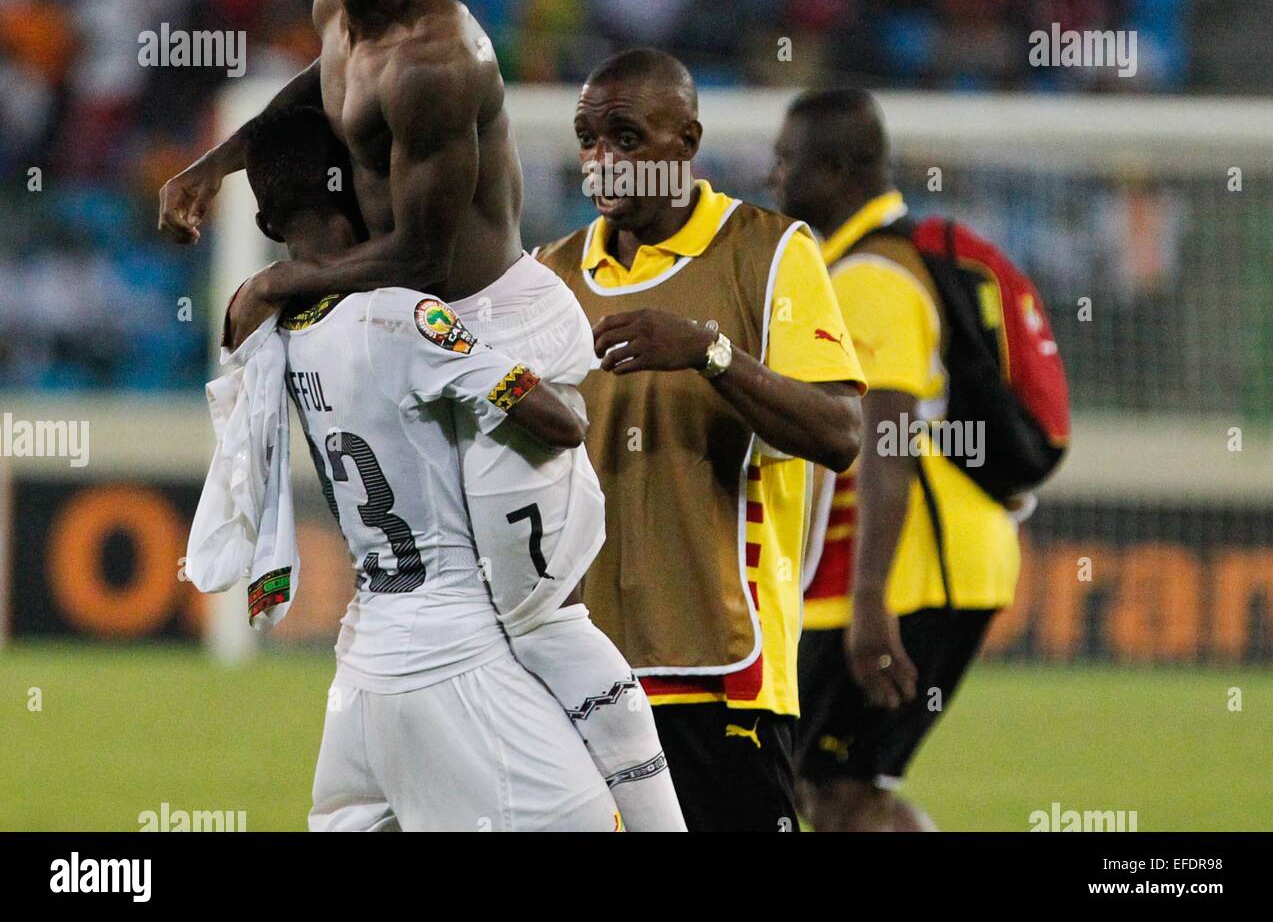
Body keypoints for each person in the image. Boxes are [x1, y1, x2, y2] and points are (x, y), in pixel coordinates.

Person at [239, 104, 683, 829]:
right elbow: (557, 422)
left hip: (363, 667)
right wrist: (517, 371)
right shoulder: (402, 316)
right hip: (451, 658)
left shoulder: (285, 334)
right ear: (355, 187)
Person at [535, 48, 866, 832]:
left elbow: (839, 432)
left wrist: (709, 354)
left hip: (723, 665)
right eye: (586, 137)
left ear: (686, 141)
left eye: (624, 136)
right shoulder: (550, 275)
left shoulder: (768, 251)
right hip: (577, 669)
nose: (600, 159)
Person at [157, 0, 523, 342]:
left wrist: (278, 281)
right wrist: (214, 166)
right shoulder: (332, 6)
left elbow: (424, 257)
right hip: (418, 325)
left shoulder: (436, 63)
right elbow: (324, 78)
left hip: (491, 327)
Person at [770, 88, 1020, 832]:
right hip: (927, 563)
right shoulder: (884, 258)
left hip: (910, 573)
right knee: (835, 790)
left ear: (840, 169)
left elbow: (887, 444)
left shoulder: (871, 280)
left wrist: (871, 604)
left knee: (836, 795)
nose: (772, 178)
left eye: (789, 162)